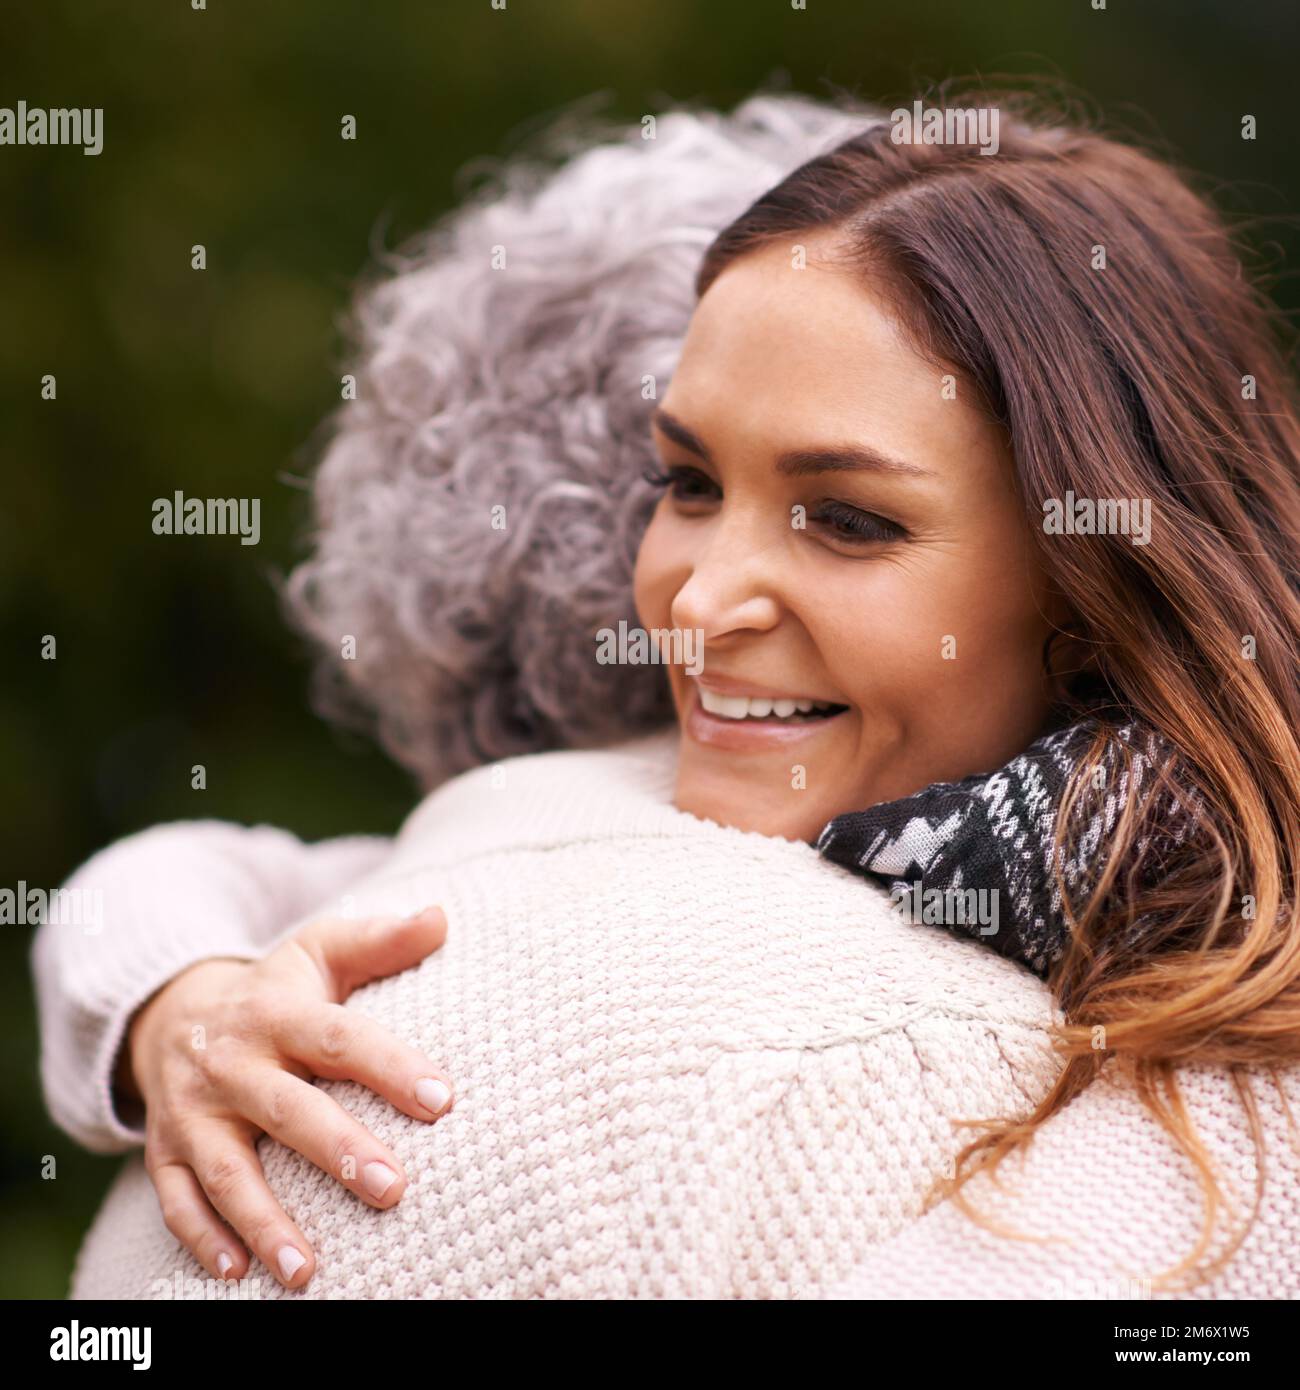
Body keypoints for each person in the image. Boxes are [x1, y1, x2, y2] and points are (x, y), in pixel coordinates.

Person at [36, 88, 1300, 1298]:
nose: (695, 605)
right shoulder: (647, 777)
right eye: (688, 483)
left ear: (1097, 576)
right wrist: (180, 1008)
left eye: (847, 520)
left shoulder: (1230, 1059)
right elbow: (177, 874)